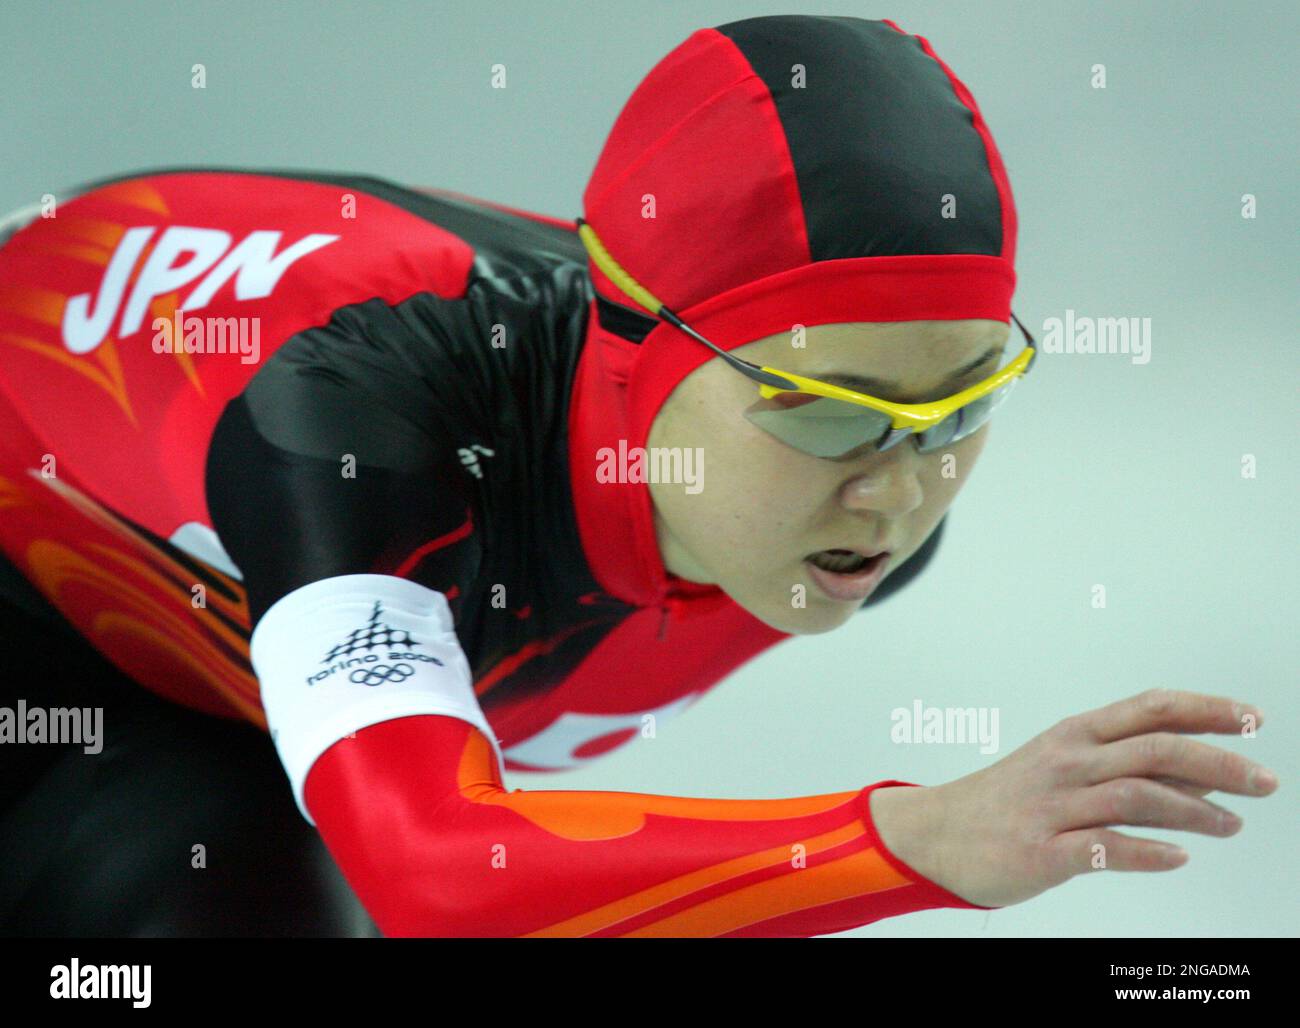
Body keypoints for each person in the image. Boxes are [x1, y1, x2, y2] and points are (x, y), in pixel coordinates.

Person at [0, 15, 1276, 937]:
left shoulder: (845, 521)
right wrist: (917, 838)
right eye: (830, 418)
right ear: (632, 356)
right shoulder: (370, 424)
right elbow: (441, 877)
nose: (901, 495)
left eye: (959, 408)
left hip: (184, 722)